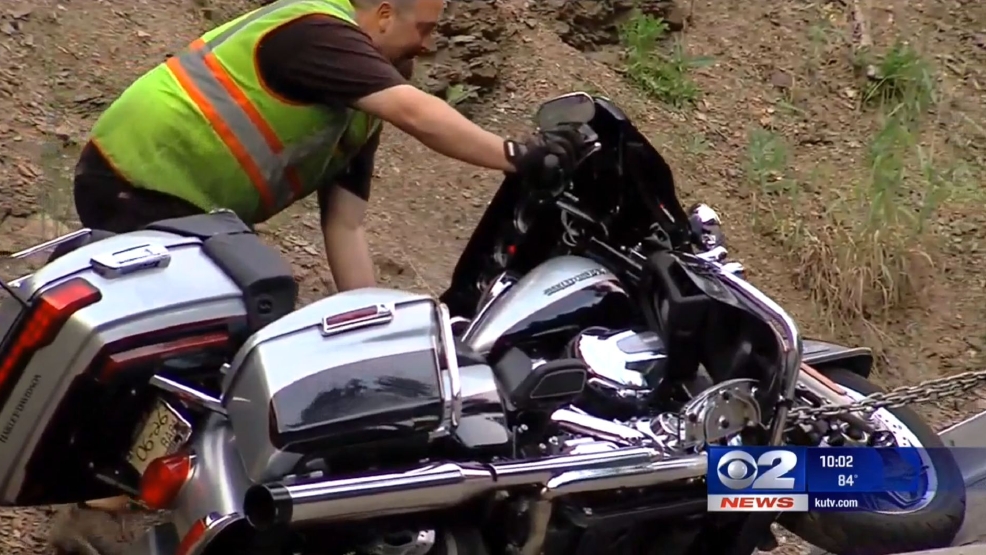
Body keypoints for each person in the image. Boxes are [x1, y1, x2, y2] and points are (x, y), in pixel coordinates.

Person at [73, 0, 582, 293]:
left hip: (187, 207)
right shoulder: (319, 33)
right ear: (384, 15)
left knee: (241, 316)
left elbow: (346, 225)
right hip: (134, 182)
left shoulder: (358, 106)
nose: (427, 45)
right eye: (423, 29)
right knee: (248, 304)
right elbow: (416, 113)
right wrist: (518, 156)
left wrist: (368, 320)